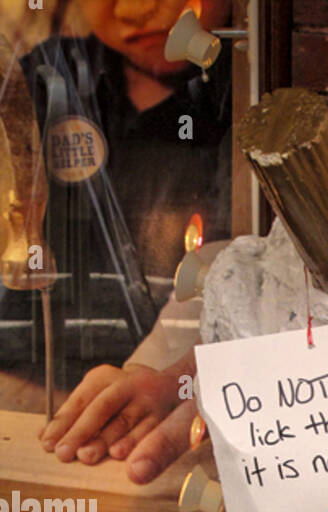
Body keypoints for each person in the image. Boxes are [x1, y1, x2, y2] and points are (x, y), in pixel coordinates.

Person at [11, 1, 234, 482]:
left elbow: (239, 260)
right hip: (26, 400)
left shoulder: (250, 88)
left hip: (173, 425)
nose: (137, 9)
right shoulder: (45, 77)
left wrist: (157, 369)